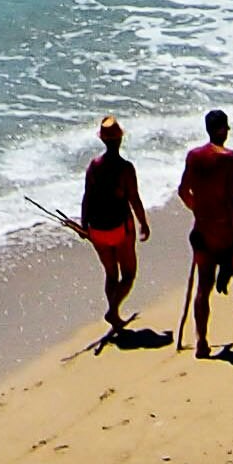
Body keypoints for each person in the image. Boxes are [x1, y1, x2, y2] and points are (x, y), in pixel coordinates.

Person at [176, 107, 233, 358]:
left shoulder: (193, 157)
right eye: (226, 127)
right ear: (220, 129)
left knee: (203, 287)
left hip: (203, 231)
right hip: (226, 232)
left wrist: (200, 211)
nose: (227, 131)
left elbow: (183, 191)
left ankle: (202, 342)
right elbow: (232, 200)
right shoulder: (230, 158)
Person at [78, 117, 151, 336]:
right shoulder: (125, 168)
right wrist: (144, 223)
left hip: (97, 228)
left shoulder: (94, 165)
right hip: (120, 228)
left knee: (111, 274)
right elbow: (134, 199)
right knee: (128, 274)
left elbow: (87, 196)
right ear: (120, 139)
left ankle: (116, 316)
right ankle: (112, 311)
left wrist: (84, 224)